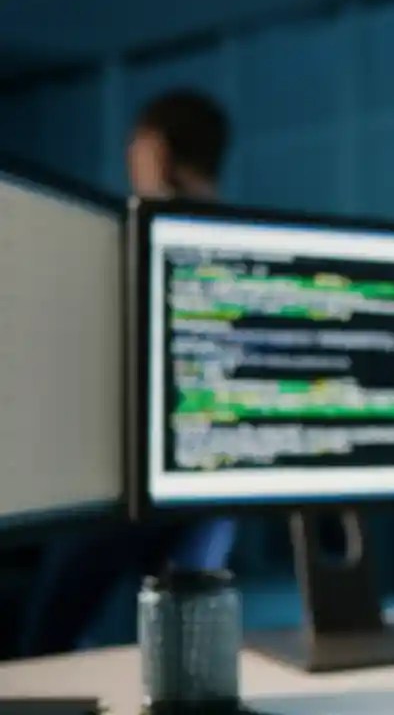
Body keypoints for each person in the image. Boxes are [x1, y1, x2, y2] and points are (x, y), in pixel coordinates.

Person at [21, 90, 236, 656]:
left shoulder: (136, 236)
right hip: (207, 479)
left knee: (51, 632)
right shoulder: (244, 241)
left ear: (159, 150)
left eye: (137, 148)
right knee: (184, 630)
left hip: (123, 473)